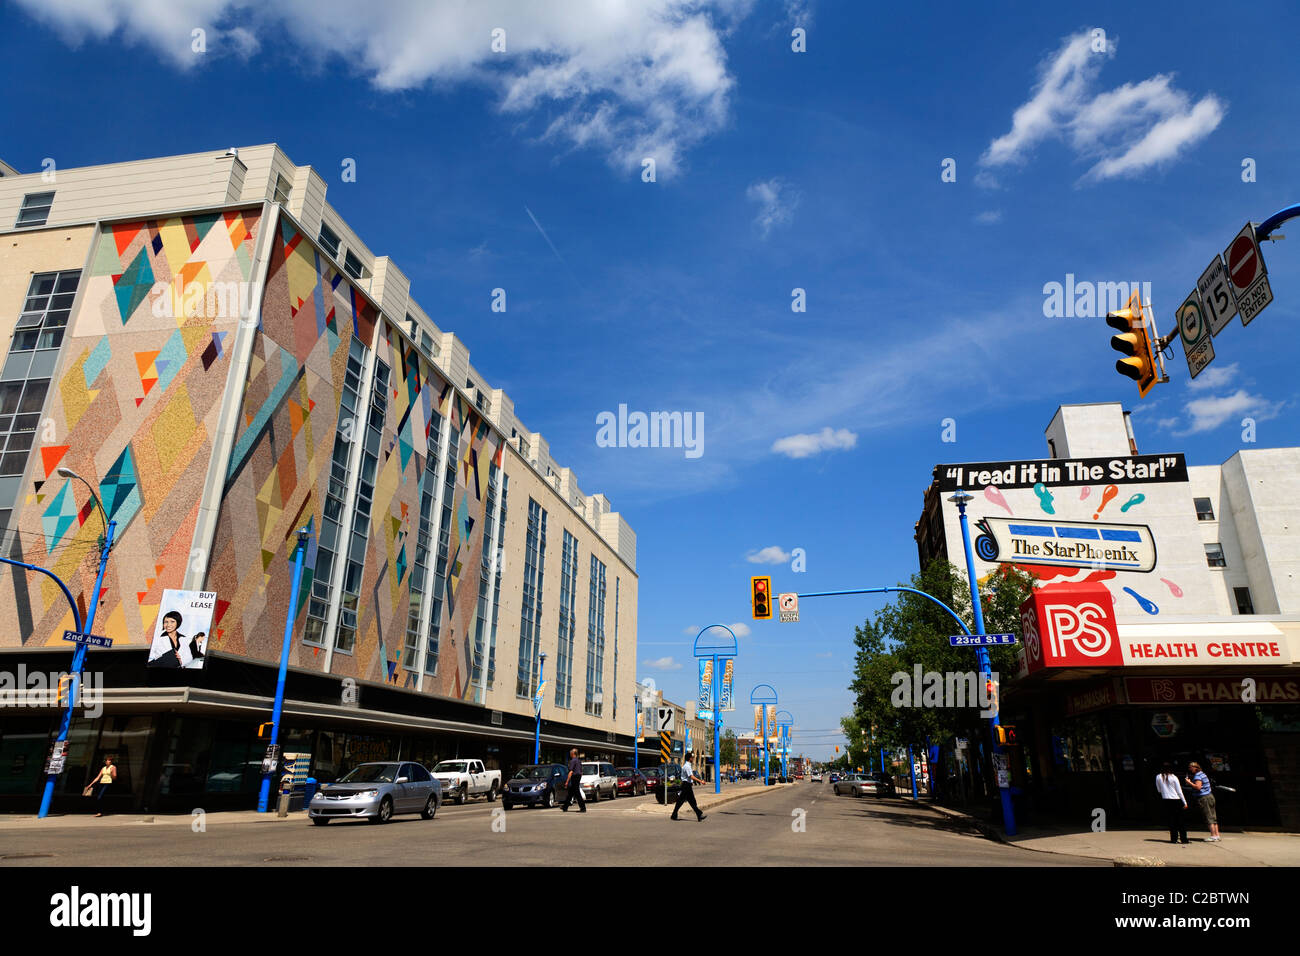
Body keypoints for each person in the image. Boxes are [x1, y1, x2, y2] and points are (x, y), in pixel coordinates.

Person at [1186, 761, 1220, 841]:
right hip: (1210, 796)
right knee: (1213, 816)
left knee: (1208, 816)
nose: (1190, 769)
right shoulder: (1202, 773)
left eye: (1191, 768)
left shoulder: (1198, 776)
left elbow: (1198, 787)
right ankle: (1217, 835)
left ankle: (1213, 835)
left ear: (1195, 768)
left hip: (1204, 798)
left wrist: (1189, 783)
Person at [1155, 762, 1188, 844]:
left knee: (1171, 820)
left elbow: (1159, 790)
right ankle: (1183, 839)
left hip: (1166, 800)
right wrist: (1185, 802)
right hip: (1176, 800)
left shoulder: (1158, 777)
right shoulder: (1173, 777)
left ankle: (1174, 839)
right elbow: (1179, 791)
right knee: (1180, 821)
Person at [672, 751, 706, 822]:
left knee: (689, 801)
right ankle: (699, 814)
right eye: (692, 757)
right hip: (686, 785)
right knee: (684, 801)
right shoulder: (687, 766)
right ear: (690, 758)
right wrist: (701, 781)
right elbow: (691, 776)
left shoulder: (687, 765)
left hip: (687, 785)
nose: (693, 758)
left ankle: (698, 814)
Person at [561, 748, 586, 812]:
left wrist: (567, 781)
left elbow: (571, 772)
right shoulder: (578, 761)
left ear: (572, 753)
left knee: (577, 793)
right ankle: (565, 807)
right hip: (578, 776)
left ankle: (583, 808)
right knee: (571, 792)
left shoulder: (573, 761)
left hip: (575, 777)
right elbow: (581, 771)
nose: (570, 754)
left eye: (570, 753)